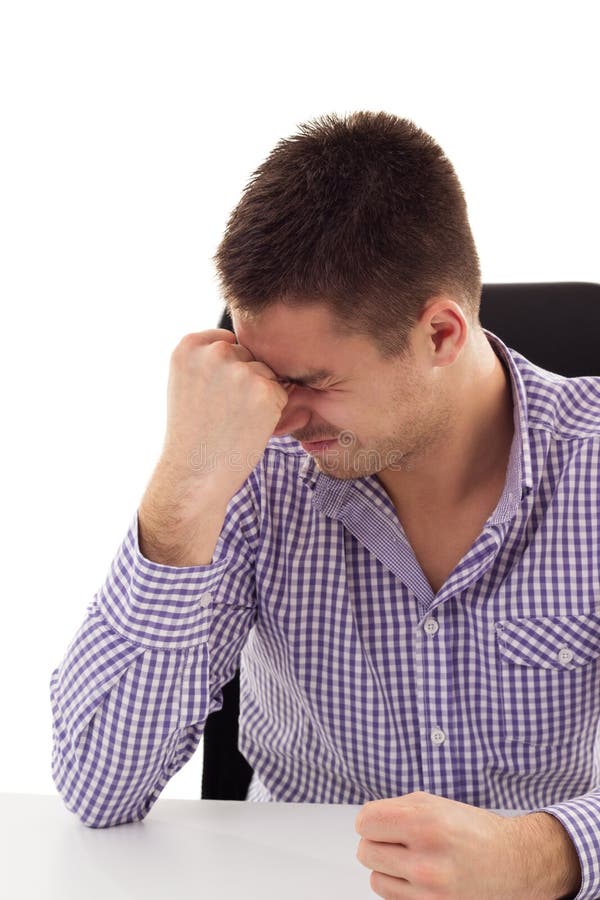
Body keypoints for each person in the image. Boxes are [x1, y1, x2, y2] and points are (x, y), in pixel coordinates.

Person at [50, 111, 599, 899]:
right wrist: (182, 491)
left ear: (442, 333)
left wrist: (543, 855)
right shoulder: (247, 463)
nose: (278, 416)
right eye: (262, 375)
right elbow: (94, 789)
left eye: (310, 383)